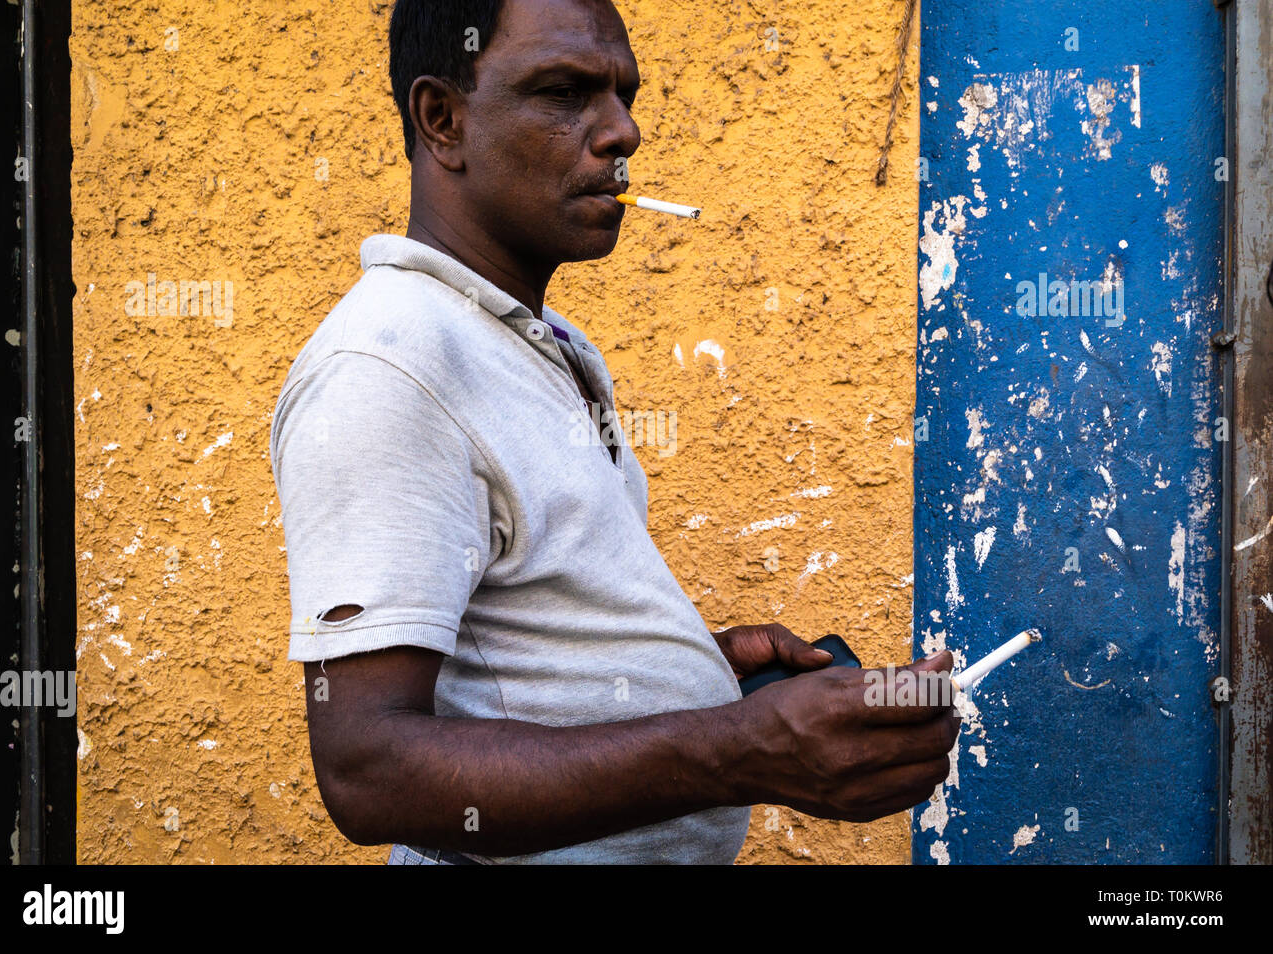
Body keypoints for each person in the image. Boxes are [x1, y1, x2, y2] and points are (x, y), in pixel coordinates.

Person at [269, 0, 959, 864]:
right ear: (442, 120)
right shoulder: (390, 367)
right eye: (565, 93)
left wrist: (703, 674)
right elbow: (369, 771)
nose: (622, 132)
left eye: (625, 94)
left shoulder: (539, 345)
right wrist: (740, 746)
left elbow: (504, 662)